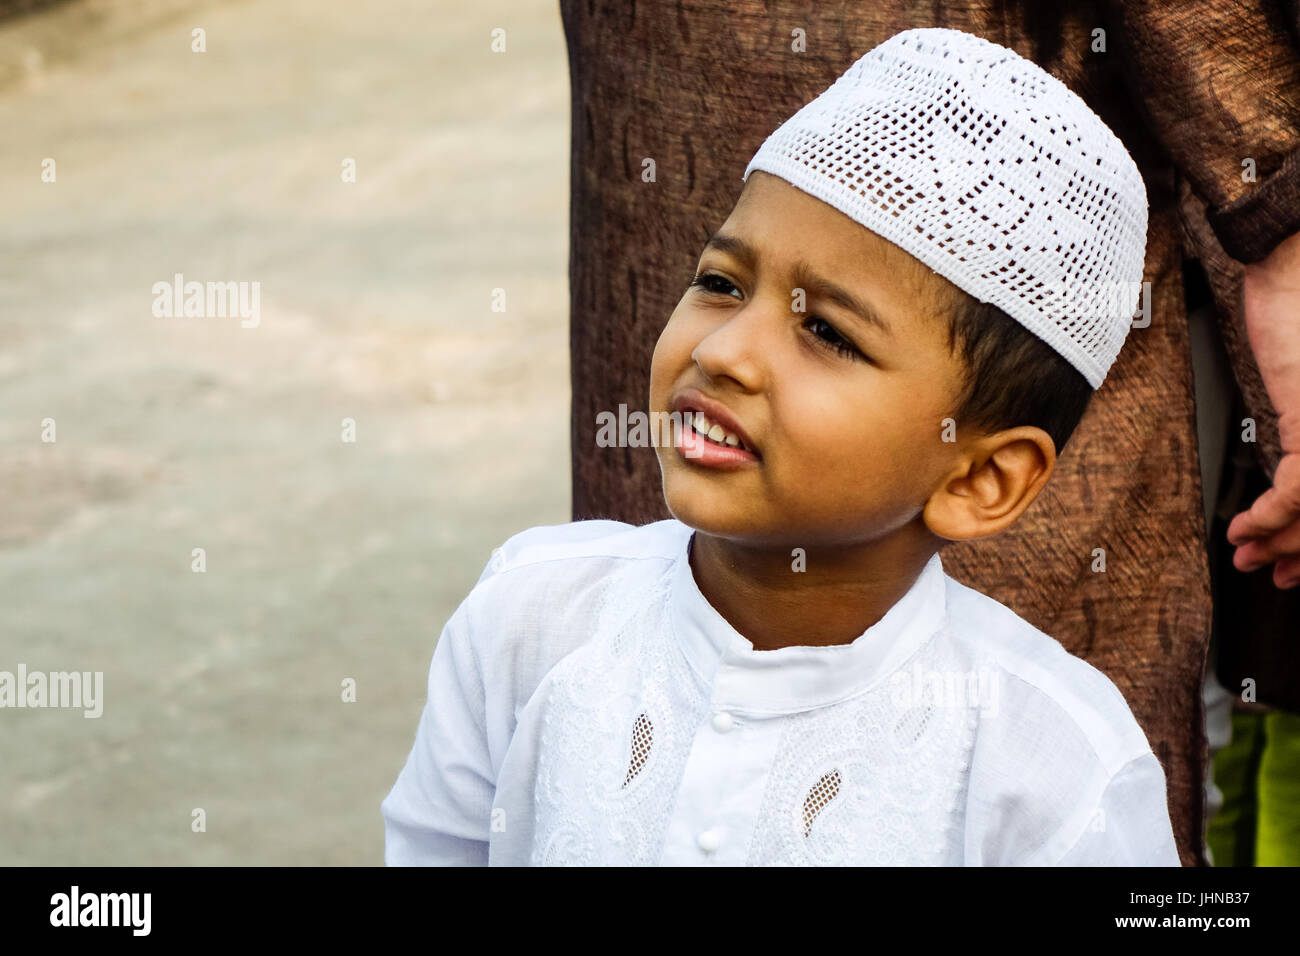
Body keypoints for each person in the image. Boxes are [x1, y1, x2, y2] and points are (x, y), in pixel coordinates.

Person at [381, 27, 1181, 865]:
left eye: (829, 334)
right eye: (721, 284)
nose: (722, 352)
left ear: (982, 477)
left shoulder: (1056, 768)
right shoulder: (529, 620)